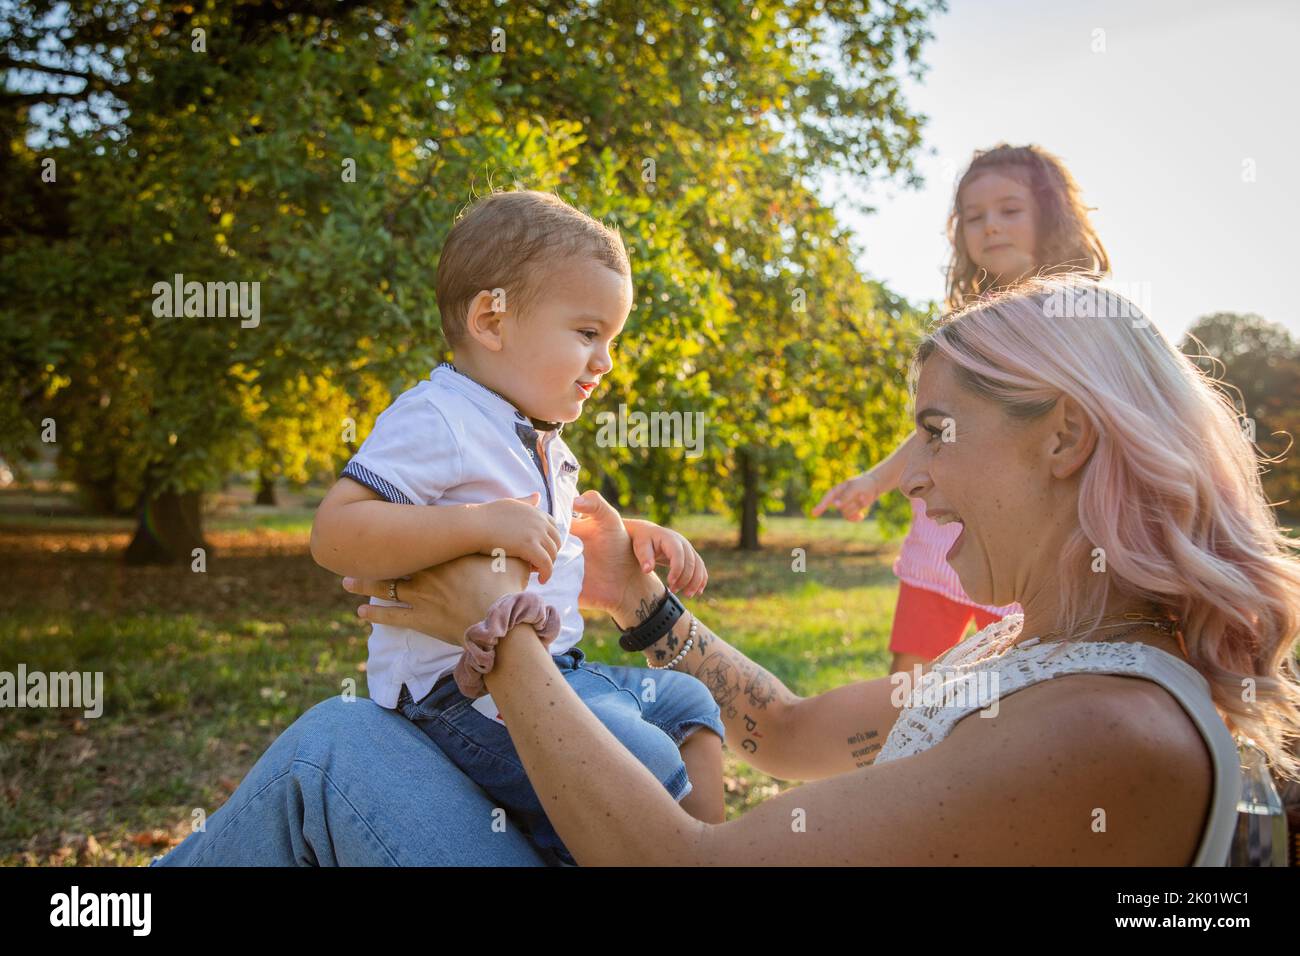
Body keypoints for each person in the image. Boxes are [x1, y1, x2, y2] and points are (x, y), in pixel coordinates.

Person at [155, 276, 1300, 866]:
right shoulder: (1040, 652)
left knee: (335, 748)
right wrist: (638, 603)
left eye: (937, 434)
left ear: (1064, 438)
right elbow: (796, 733)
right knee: (335, 751)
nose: (913, 477)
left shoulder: (1108, 727)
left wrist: (497, 636)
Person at [307, 189, 725, 865]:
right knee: (642, 761)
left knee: (689, 706)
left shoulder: (540, 437)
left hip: (558, 673)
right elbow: (335, 533)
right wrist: (477, 525)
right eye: (589, 333)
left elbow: (544, 556)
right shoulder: (437, 416)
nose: (606, 361)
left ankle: (702, 855)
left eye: (612, 339)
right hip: (458, 694)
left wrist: (630, 537)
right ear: (491, 320)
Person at [815, 144, 1112, 675]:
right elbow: (936, 428)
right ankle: (905, 758)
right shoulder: (968, 327)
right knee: (909, 684)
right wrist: (873, 481)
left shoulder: (1076, 319)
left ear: (1052, 216)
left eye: (1010, 210)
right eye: (975, 217)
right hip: (941, 532)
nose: (991, 226)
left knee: (1015, 677)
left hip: (1023, 531)